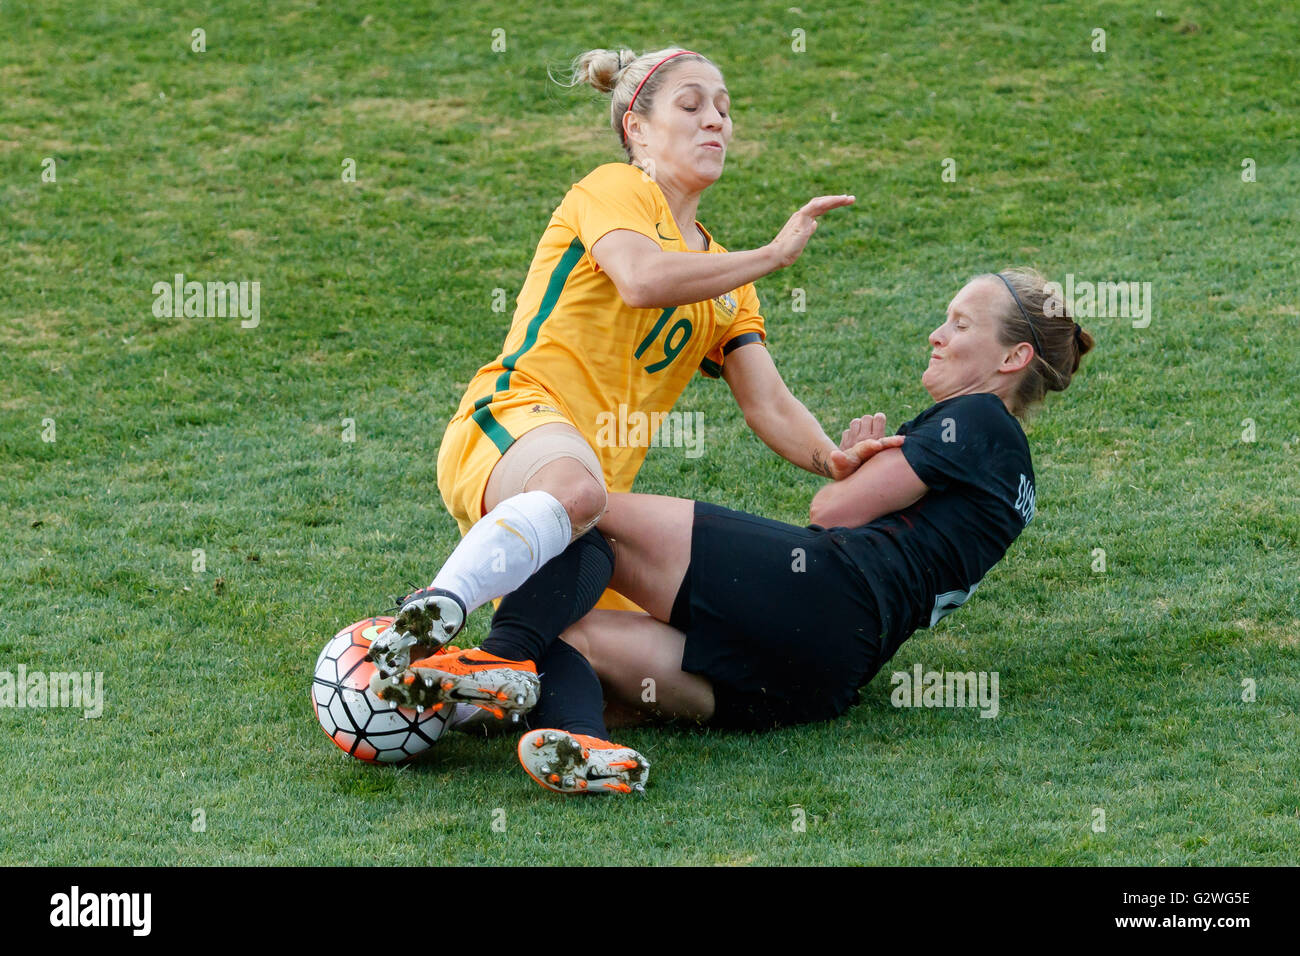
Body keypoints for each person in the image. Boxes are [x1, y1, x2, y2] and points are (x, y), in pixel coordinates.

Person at [365, 48, 873, 747]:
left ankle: (534, 726)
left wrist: (833, 459)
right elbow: (638, 277)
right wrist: (772, 254)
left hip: (586, 506)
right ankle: (431, 613)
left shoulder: (725, 281)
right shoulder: (613, 188)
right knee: (580, 494)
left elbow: (768, 403)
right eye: (691, 106)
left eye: (724, 108)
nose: (716, 122)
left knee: (606, 649)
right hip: (513, 421)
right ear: (636, 129)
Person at [500, 267, 1094, 794]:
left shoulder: (980, 416)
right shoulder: (1011, 470)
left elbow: (830, 510)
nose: (937, 336)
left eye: (961, 325)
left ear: (1011, 359)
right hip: (821, 679)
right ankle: (584, 743)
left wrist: (853, 473)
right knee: (572, 635)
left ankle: (483, 658)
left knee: (588, 513)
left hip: (825, 593)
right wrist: (865, 472)